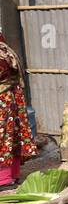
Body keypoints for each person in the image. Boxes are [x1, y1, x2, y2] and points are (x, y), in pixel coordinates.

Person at [0, 34, 36, 188]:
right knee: (13, 136)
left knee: (4, 137)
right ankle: (12, 175)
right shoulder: (5, 50)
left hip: (4, 100)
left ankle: (4, 178)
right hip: (12, 98)